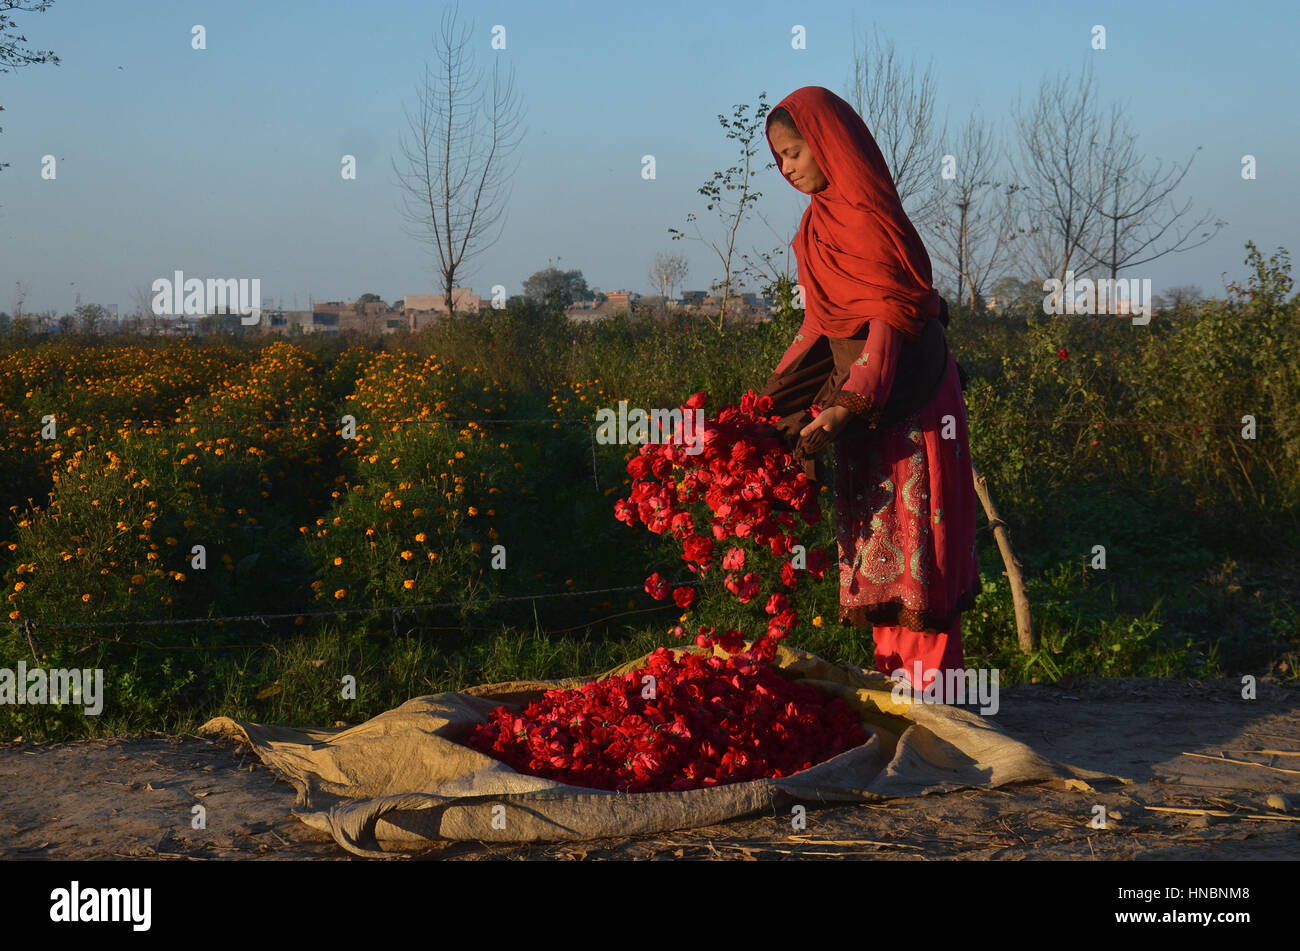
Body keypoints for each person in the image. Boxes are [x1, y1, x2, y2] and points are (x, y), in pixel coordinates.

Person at [758, 86, 982, 702]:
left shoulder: (869, 219)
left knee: (917, 549)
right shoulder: (813, 228)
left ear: (829, 142)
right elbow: (818, 326)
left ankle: (938, 702)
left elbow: (886, 319)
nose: (788, 167)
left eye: (795, 151)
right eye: (778, 158)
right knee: (874, 544)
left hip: (910, 400)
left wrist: (845, 404)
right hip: (860, 405)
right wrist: (766, 403)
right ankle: (897, 690)